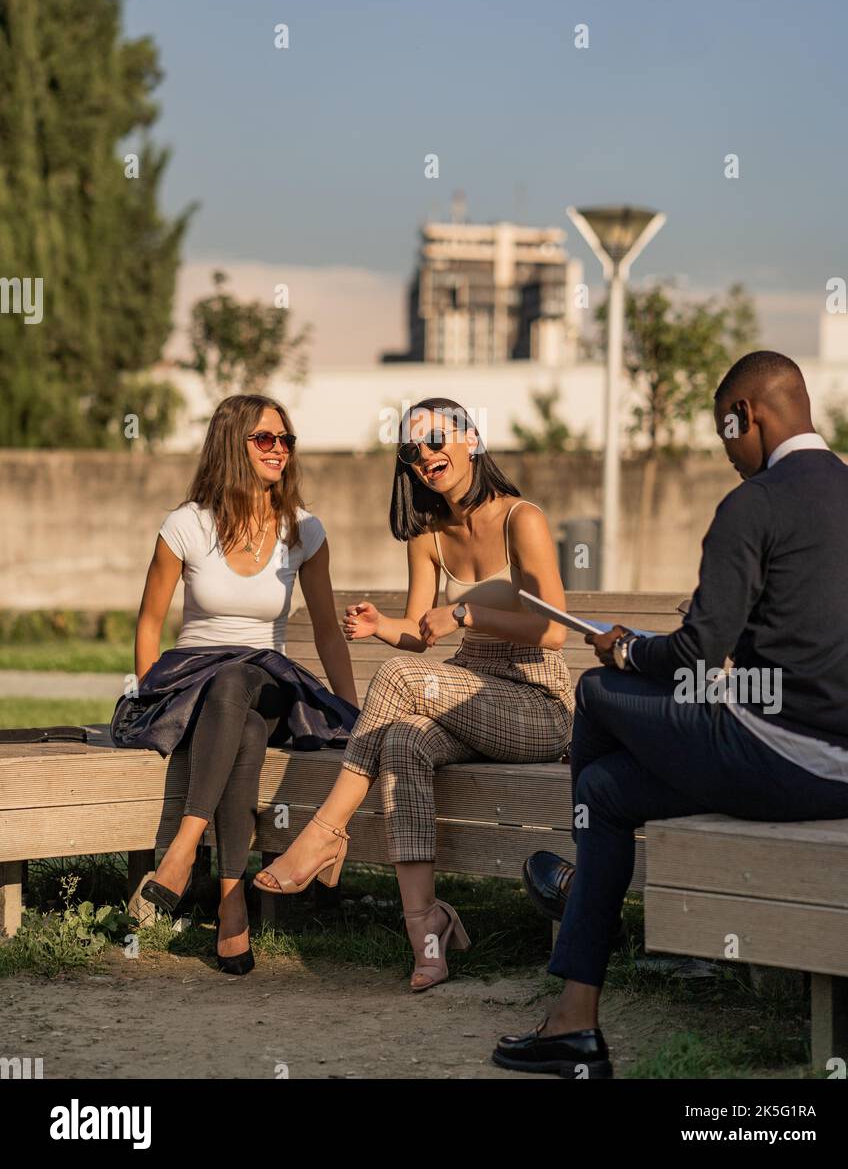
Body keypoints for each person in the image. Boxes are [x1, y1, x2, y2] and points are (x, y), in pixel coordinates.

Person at [495, 351, 848, 1078]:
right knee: (604, 793)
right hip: (847, 775)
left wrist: (628, 649)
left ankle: (582, 892)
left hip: (776, 754)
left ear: (745, 416)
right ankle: (574, 1022)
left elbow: (698, 656)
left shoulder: (755, 504)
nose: (727, 455)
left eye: (725, 434)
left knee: (600, 694)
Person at [253, 397, 574, 990]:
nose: (426, 457)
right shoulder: (428, 532)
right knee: (401, 743)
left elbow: (554, 629)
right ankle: (427, 932)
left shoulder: (520, 518)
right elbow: (422, 632)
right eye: (413, 450)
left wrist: (469, 612)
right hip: (462, 698)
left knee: (398, 686)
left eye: (437, 441)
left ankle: (324, 835)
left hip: (535, 705)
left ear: (471, 439)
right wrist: (381, 628)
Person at [110, 394, 358, 974]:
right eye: (265, 439)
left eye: (286, 440)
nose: (279, 450)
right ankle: (231, 902)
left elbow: (326, 630)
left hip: (269, 680)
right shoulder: (186, 525)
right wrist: (149, 697)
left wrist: (350, 714)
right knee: (238, 720)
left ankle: (180, 850)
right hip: (195, 684)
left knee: (241, 680)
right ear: (232, 444)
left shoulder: (304, 530)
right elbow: (150, 622)